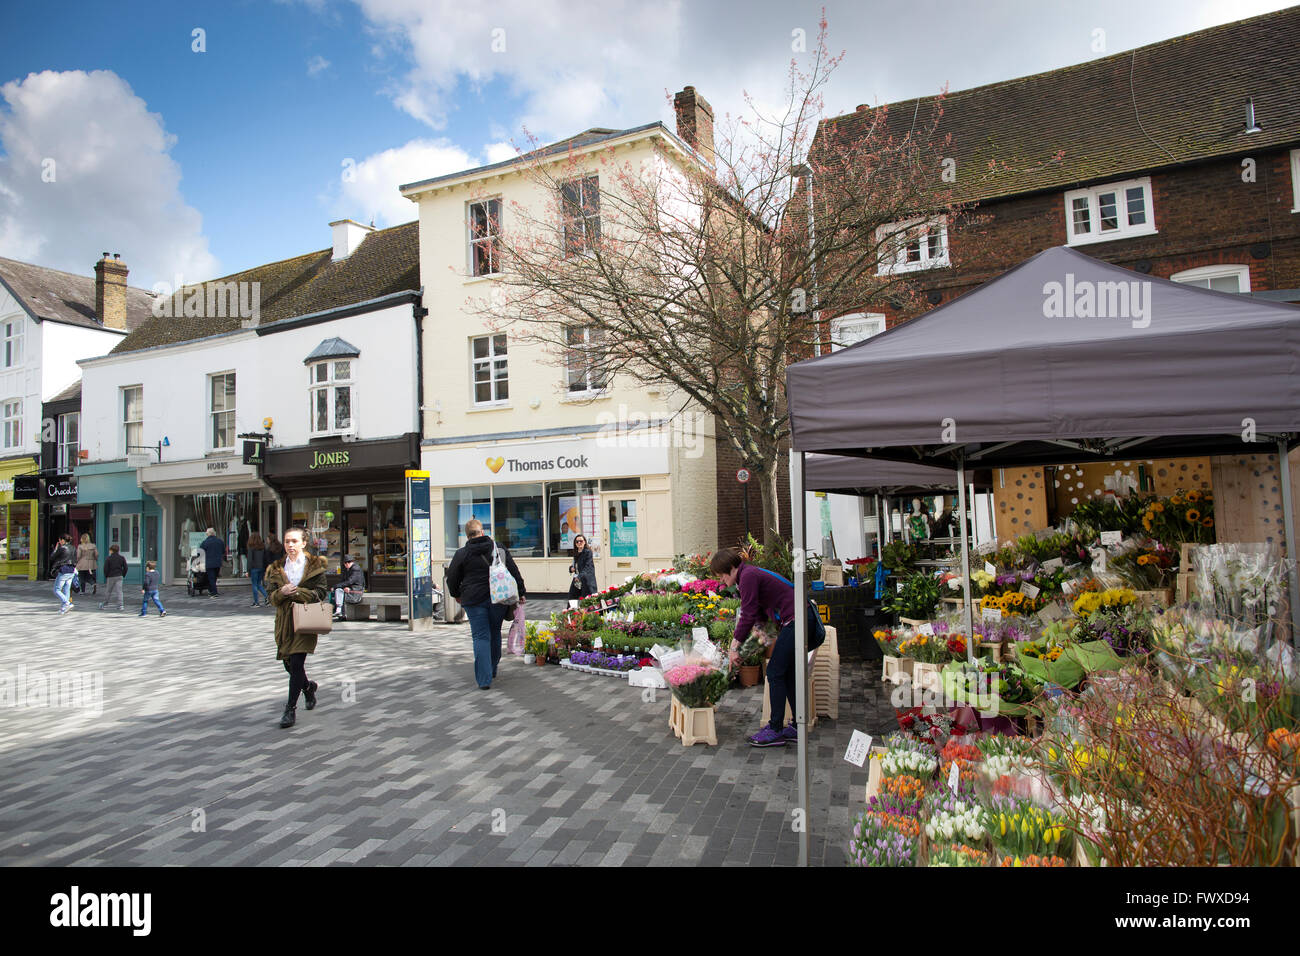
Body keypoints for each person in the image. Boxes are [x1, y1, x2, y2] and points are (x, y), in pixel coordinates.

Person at [710, 547, 825, 748]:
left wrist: (735, 646)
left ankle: (775, 729)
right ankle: (798, 726)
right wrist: (749, 648)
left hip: (797, 620)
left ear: (730, 568)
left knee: (774, 672)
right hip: (798, 619)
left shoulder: (747, 577)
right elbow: (759, 616)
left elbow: (747, 614)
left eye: (721, 576)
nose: (721, 581)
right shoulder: (748, 574)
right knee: (786, 672)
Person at [446, 517, 526, 690]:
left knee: (481, 636)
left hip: (473, 601)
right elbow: (513, 570)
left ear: (467, 536)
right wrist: (521, 591)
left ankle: (484, 679)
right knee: (495, 632)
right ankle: (492, 668)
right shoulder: (498, 548)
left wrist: (456, 594)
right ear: (482, 532)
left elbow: (451, 578)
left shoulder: (462, 554)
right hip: (498, 598)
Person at [266, 526, 329, 729]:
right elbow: (271, 598)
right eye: (287, 541)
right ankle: (308, 688)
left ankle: (289, 709)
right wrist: (282, 592)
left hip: (305, 619)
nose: (290, 545)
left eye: (294, 541)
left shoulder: (315, 566)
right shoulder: (276, 568)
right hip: (284, 622)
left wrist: (296, 593)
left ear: (304, 543)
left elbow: (321, 593)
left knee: (296, 663)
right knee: (289, 664)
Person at [331, 554, 365, 621]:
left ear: (352, 562)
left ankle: (340, 611)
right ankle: (340, 612)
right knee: (338, 591)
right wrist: (343, 587)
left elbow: (351, 581)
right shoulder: (346, 569)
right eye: (345, 562)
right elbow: (343, 581)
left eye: (349, 562)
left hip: (357, 590)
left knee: (340, 591)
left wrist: (336, 586)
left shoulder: (356, 569)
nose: (347, 564)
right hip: (350, 588)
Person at [49, 534, 76, 614]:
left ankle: (67, 603)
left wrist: (55, 549)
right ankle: (64, 608)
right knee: (66, 589)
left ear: (63, 540)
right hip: (71, 570)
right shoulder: (73, 547)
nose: (59, 542)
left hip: (63, 570)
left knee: (56, 589)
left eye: (60, 540)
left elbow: (52, 557)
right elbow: (76, 558)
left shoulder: (62, 548)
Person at [567, 534, 597, 600]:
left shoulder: (587, 552)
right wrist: (571, 568)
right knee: (572, 597)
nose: (579, 543)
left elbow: (588, 566)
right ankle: (572, 610)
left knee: (587, 599)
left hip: (586, 579)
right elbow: (574, 564)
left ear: (585, 542)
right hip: (577, 579)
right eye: (577, 542)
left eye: (581, 541)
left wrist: (579, 576)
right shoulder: (576, 552)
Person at [199, 527, 226, 597]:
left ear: (208, 534)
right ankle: (212, 590)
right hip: (217, 563)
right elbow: (223, 551)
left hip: (209, 563)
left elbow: (200, 553)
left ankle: (214, 592)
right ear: (214, 533)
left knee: (211, 578)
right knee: (214, 578)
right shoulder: (220, 541)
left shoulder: (205, 542)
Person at [99, 544, 127, 610]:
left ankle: (105, 603)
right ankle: (120, 605)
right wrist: (123, 574)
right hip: (119, 576)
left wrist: (106, 575)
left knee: (108, 591)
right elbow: (125, 567)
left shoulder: (108, 558)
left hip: (111, 576)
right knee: (119, 591)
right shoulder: (122, 558)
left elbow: (105, 568)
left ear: (111, 551)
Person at [247, 533, 269, 607]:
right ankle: (267, 597)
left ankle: (256, 602)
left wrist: (248, 570)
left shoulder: (251, 548)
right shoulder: (263, 547)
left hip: (254, 568)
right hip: (262, 567)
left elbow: (250, 560)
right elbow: (265, 558)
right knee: (259, 584)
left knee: (254, 585)